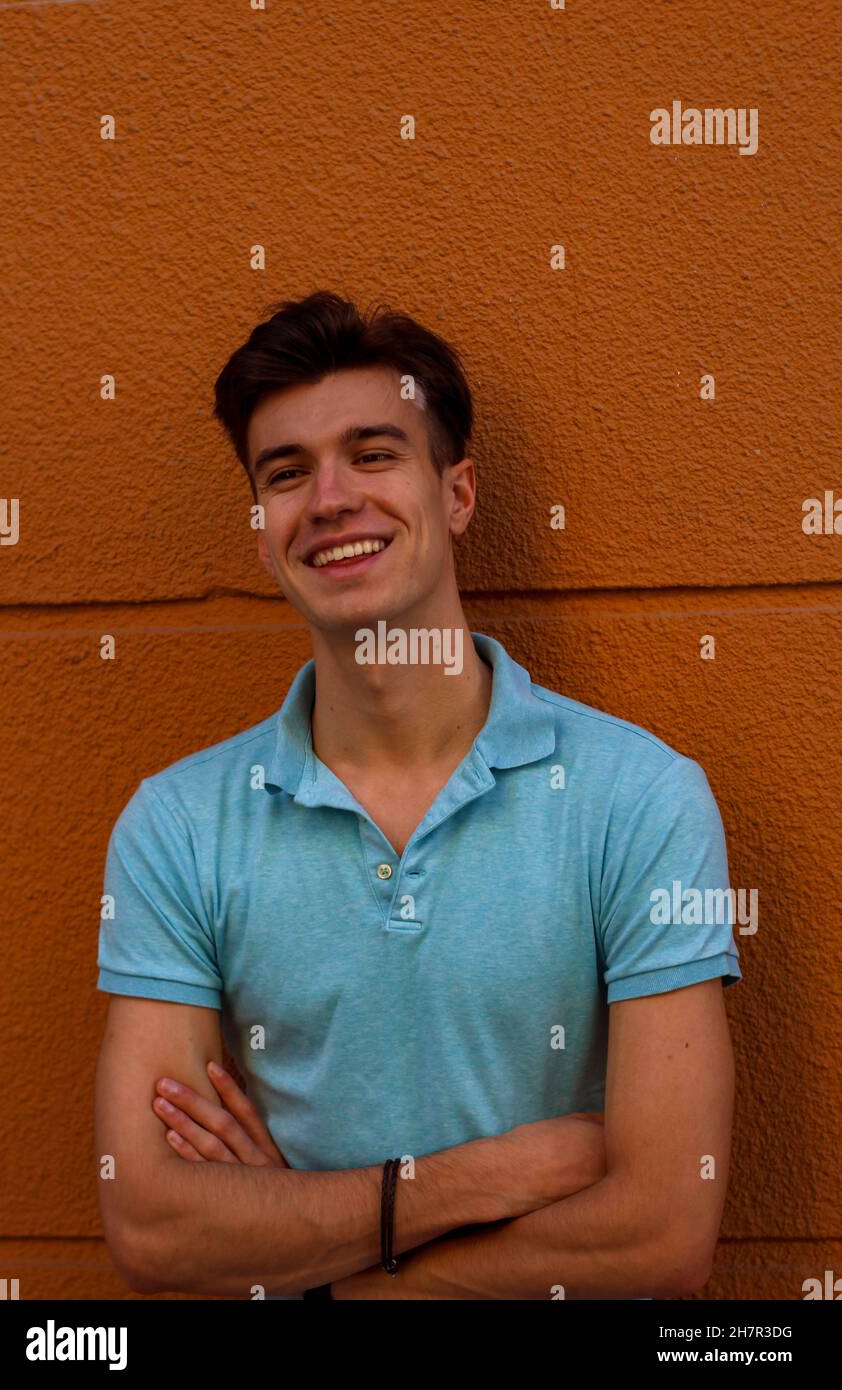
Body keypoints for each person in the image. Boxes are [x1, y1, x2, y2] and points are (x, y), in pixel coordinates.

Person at [94, 290, 742, 1300]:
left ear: (458, 493)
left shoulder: (638, 799)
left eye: (373, 453)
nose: (330, 498)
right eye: (286, 473)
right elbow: (152, 1225)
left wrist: (313, 1265)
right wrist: (475, 1179)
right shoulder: (176, 828)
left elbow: (660, 1235)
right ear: (262, 533)